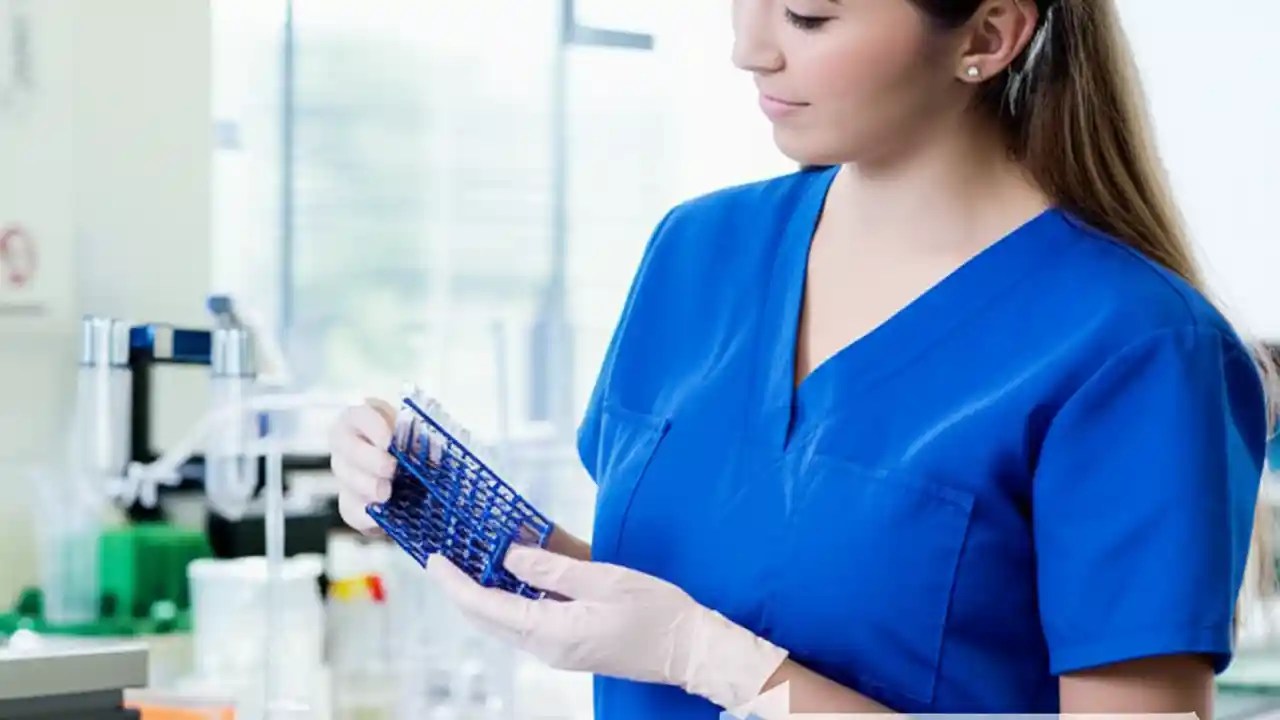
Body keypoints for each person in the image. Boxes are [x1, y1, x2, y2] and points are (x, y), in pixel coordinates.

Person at [328, 0, 1273, 717]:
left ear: (987, 36)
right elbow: (666, 594)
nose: (751, 46)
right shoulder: (697, 252)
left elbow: (695, 639)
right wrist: (431, 501)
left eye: (811, 13)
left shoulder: (1137, 349)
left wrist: (724, 666)